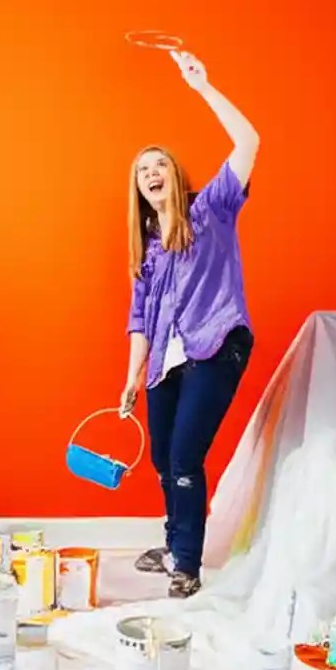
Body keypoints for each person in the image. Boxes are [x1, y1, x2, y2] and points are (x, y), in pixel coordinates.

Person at [118, 51, 260, 598]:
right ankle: (176, 543)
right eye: (142, 170)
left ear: (175, 176)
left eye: (159, 165)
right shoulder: (148, 250)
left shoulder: (212, 209)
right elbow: (139, 319)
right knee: (162, 458)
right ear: (138, 189)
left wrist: (203, 85)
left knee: (184, 457)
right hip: (165, 362)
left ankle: (188, 566)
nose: (151, 173)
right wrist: (133, 376)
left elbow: (248, 142)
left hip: (217, 345)